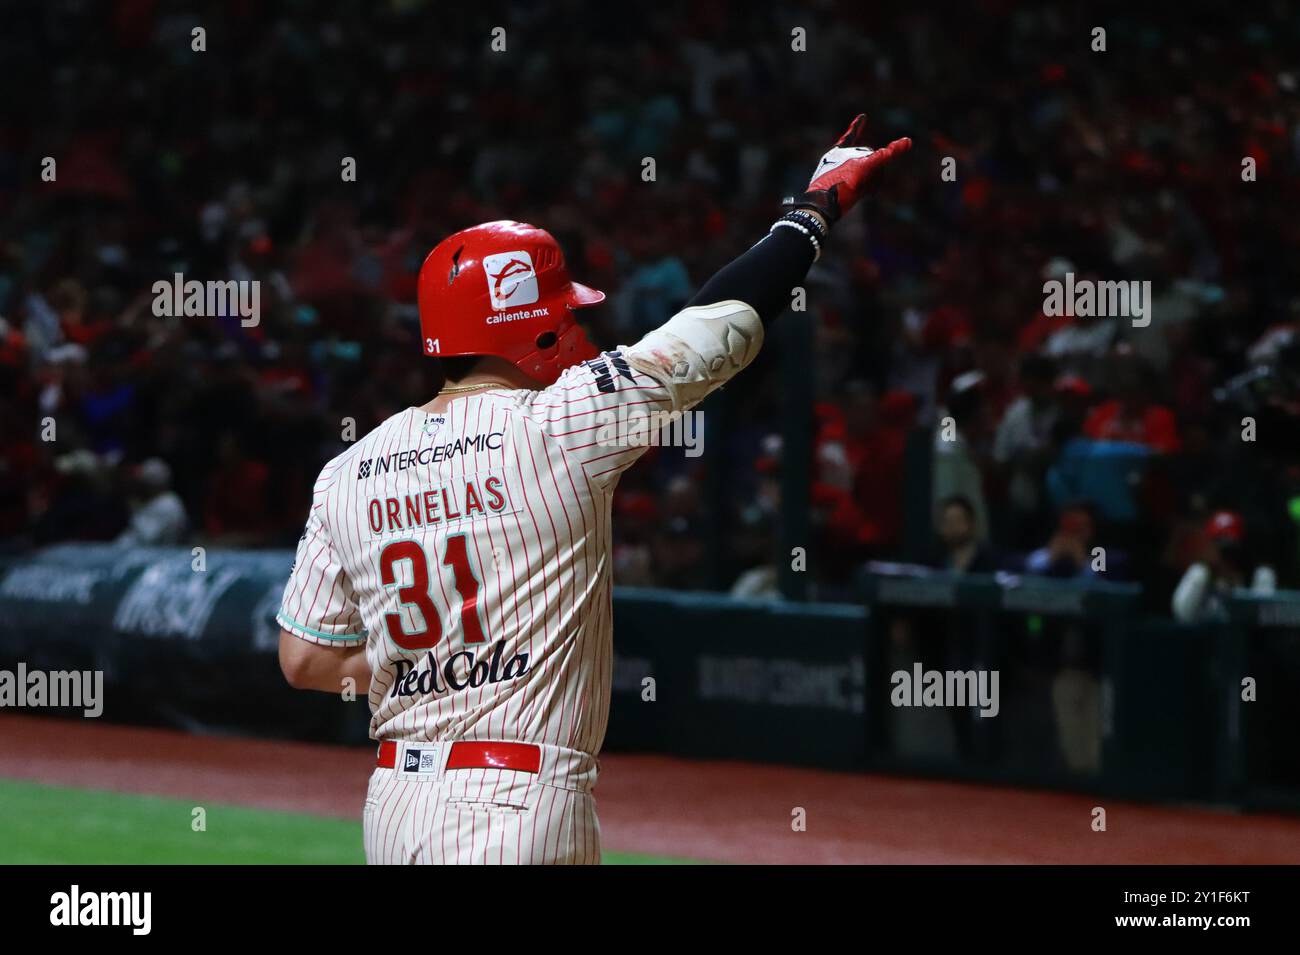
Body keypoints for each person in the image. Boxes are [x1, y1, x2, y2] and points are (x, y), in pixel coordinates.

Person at [275, 117, 911, 864]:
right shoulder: (563, 422)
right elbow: (722, 323)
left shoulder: (349, 469)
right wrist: (812, 210)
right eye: (566, 313)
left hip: (395, 805)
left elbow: (303, 660)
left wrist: (412, 666)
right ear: (533, 332)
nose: (578, 326)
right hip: (518, 803)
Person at [1171, 510, 1276, 623]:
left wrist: (1237, 587)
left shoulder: (1259, 575)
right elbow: (1182, 615)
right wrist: (1203, 577)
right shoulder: (1200, 573)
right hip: (1206, 637)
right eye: (1220, 548)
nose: (1226, 557)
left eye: (1231, 549)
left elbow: (1264, 620)